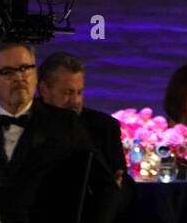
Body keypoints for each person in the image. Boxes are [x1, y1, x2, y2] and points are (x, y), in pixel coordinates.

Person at [0, 43, 122, 223]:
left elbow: (106, 187)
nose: (19, 77)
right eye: (8, 71)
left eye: (25, 68)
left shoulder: (65, 124)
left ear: (35, 75)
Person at [37, 51, 128, 188]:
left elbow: (123, 186)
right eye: (68, 92)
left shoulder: (105, 127)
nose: (76, 101)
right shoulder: (27, 124)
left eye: (79, 92)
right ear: (44, 90)